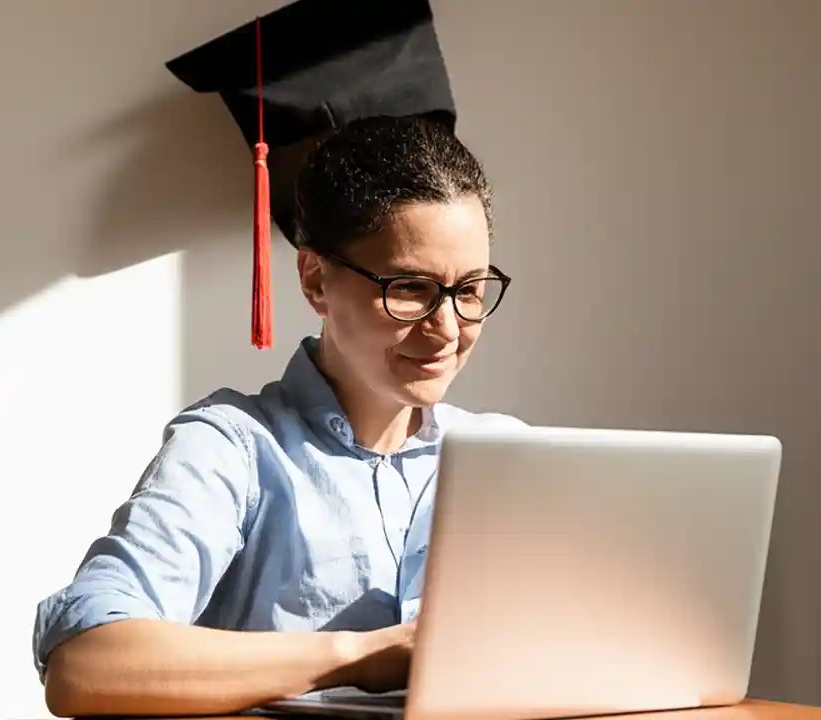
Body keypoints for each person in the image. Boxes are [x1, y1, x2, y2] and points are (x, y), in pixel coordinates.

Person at [31, 111, 523, 717]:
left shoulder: (510, 461)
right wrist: (362, 656)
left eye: (469, 289)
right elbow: (87, 664)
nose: (446, 327)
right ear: (315, 280)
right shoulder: (233, 449)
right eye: (409, 289)